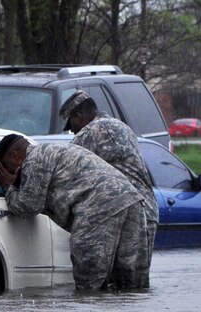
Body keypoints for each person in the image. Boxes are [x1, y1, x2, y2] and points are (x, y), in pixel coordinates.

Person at [0, 134, 151, 291]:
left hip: (97, 208)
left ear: (16, 156)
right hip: (132, 200)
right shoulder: (54, 150)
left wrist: (8, 186)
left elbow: (27, 207)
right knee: (132, 284)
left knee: (89, 287)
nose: (8, 172)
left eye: (5, 167)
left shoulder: (34, 160)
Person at [60, 90, 159, 287]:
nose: (71, 131)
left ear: (79, 116)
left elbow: (64, 170)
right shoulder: (122, 127)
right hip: (148, 210)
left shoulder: (89, 134)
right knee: (134, 287)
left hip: (125, 213)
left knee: (111, 286)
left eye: (70, 124)